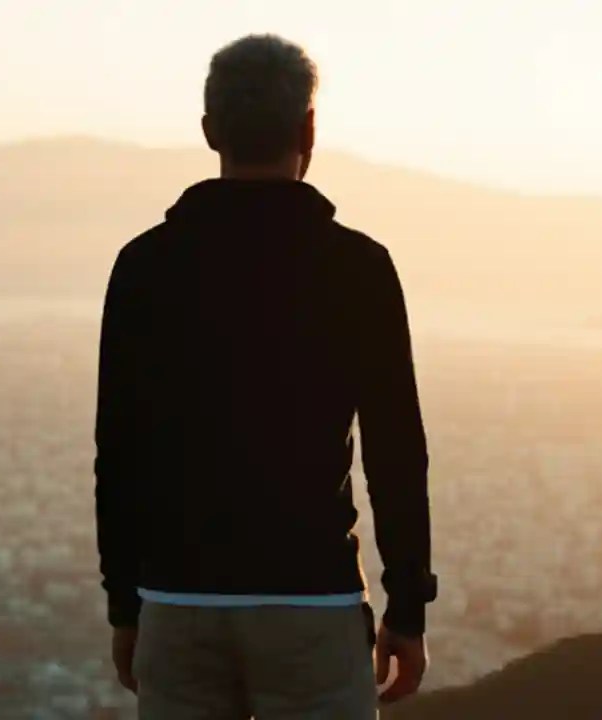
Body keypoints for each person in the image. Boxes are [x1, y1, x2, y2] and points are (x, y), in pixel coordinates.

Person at [94, 33, 436, 720]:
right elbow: (396, 450)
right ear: (309, 128)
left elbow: (120, 452)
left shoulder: (146, 267)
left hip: (177, 600)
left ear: (209, 130)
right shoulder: (358, 268)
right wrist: (406, 606)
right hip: (314, 602)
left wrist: (125, 605)